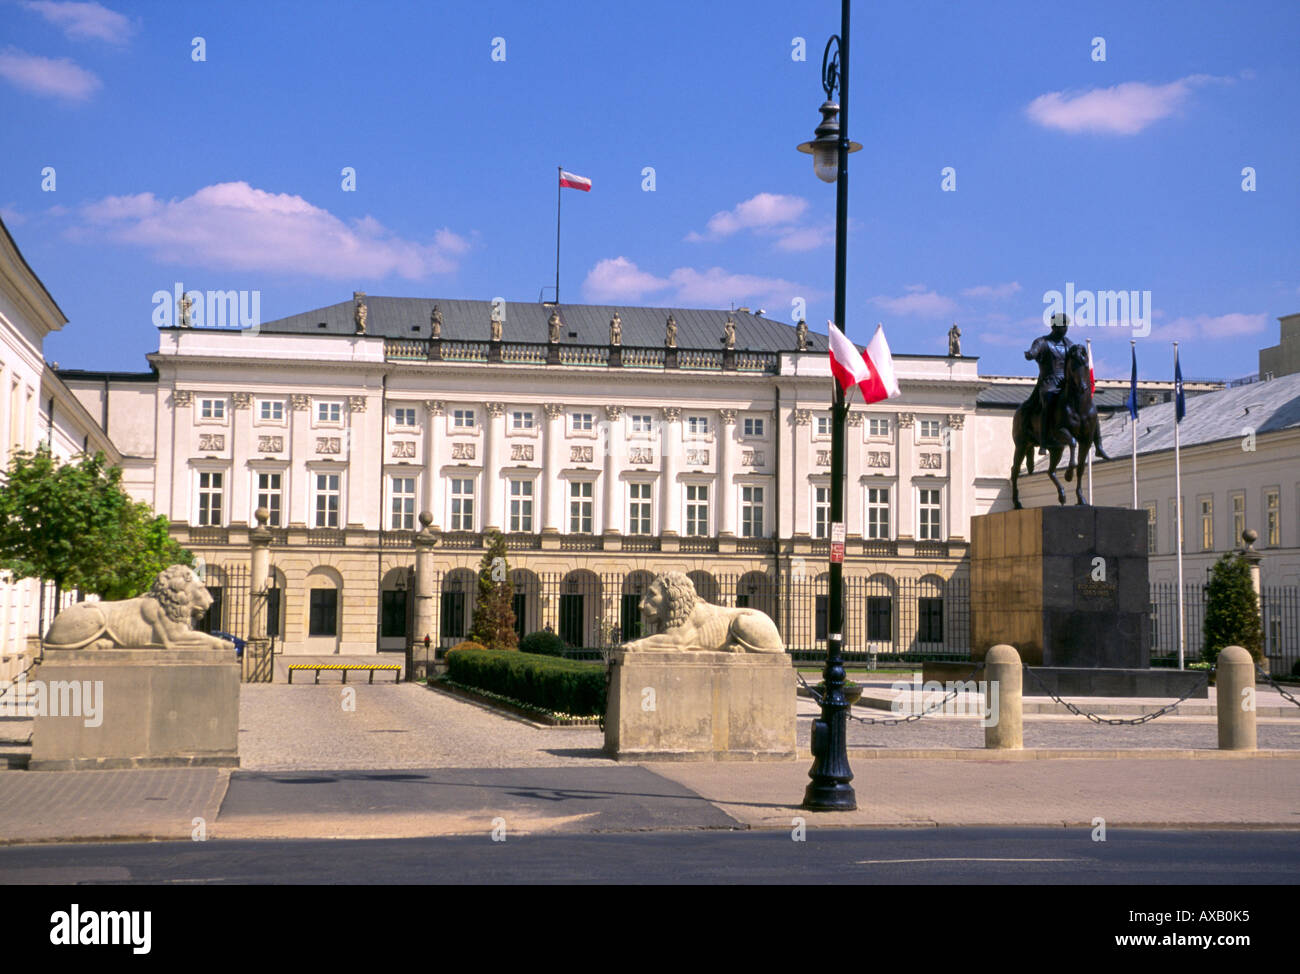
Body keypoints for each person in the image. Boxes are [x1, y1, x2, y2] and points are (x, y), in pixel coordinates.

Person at [1024, 313, 1077, 455]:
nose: (1065, 328)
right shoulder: (1042, 342)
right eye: (1062, 326)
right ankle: (1043, 441)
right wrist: (1031, 353)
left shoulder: (1069, 344)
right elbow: (1034, 351)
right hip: (1049, 382)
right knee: (1048, 399)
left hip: (1064, 382)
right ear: (1054, 326)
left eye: (1066, 326)